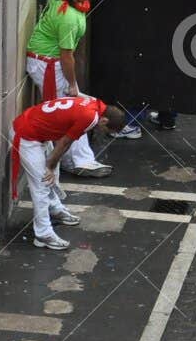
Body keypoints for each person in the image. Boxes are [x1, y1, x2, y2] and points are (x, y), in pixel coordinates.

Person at [23, 0, 114, 176]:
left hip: (47, 62)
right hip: (50, 66)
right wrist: (73, 85)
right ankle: (71, 163)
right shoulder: (70, 19)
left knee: (74, 111)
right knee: (68, 113)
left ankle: (79, 160)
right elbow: (67, 57)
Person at [12, 96, 126, 250]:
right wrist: (50, 167)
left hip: (35, 129)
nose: (102, 132)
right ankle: (43, 235)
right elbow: (65, 142)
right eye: (106, 130)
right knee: (43, 183)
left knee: (53, 173)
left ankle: (55, 208)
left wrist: (53, 166)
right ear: (104, 121)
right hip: (27, 135)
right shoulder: (91, 118)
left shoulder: (95, 104)